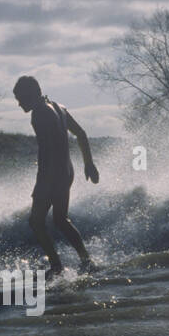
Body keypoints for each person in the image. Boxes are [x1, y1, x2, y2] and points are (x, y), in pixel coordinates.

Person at [13, 75, 98, 278]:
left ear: (32, 93)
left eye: (21, 98)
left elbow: (47, 151)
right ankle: (86, 260)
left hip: (51, 174)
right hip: (66, 172)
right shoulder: (59, 107)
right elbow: (81, 134)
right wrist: (88, 163)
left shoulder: (39, 114)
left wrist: (42, 183)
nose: (19, 103)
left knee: (36, 222)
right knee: (60, 220)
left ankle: (57, 266)